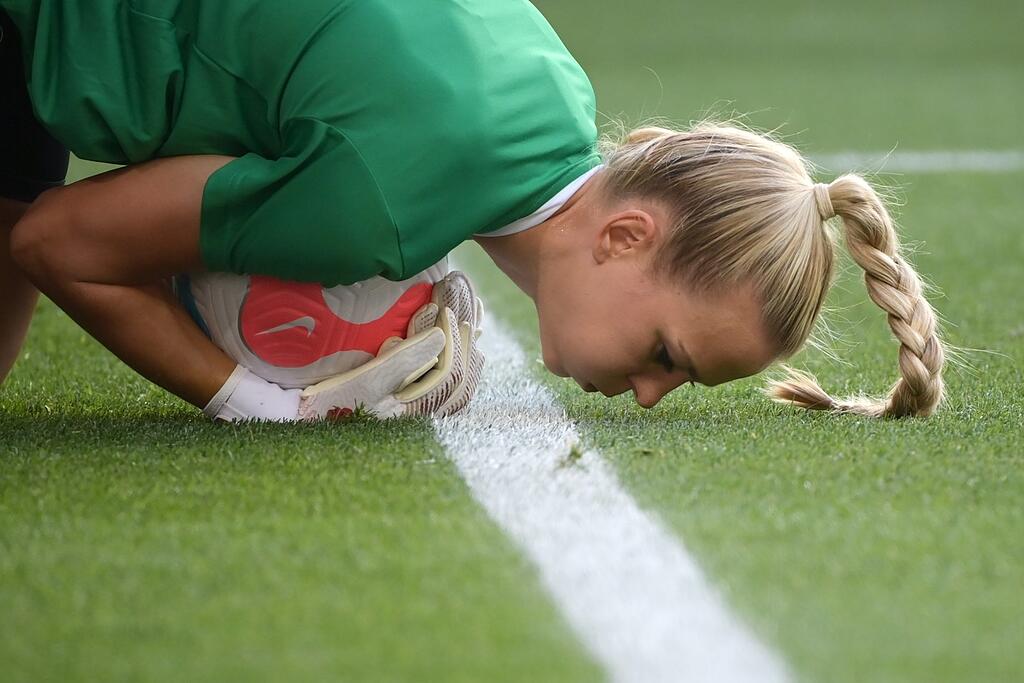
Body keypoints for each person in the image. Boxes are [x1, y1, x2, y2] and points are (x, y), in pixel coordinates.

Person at [0, 0, 945, 421]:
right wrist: (257, 402)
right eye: (668, 354)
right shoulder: (380, 208)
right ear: (627, 234)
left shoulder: (556, 90)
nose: (650, 395)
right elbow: (56, 242)